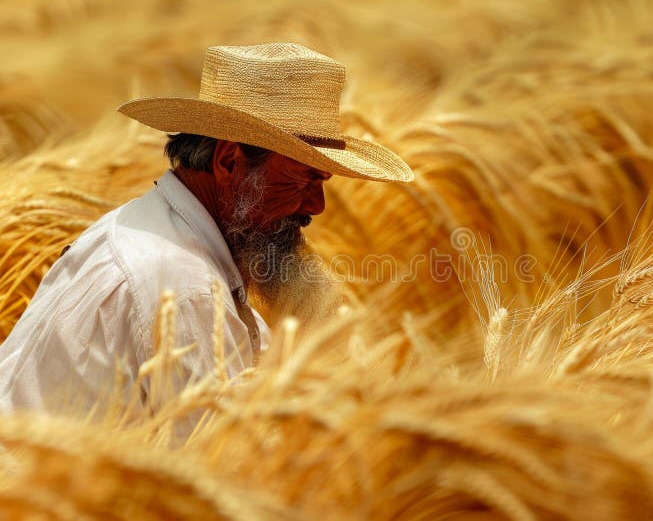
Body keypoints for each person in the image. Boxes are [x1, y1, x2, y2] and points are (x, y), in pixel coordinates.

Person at [0, 43, 413, 424]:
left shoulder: (147, 230)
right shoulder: (183, 288)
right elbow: (230, 466)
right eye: (303, 179)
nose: (316, 205)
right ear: (229, 161)